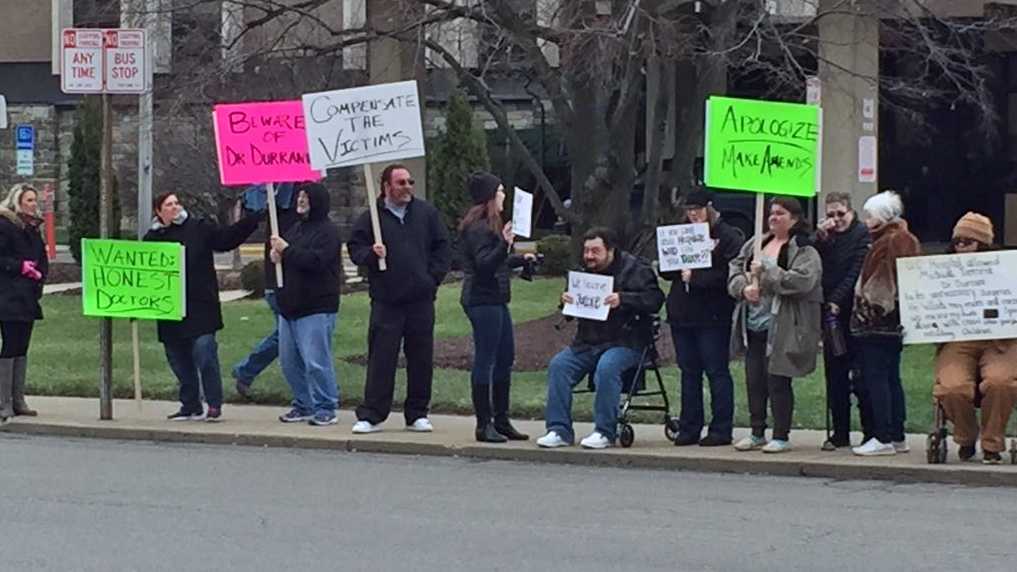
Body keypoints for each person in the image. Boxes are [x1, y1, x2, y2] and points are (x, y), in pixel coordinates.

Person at [536, 227, 665, 450]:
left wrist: (623, 299)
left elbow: (655, 300)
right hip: (588, 341)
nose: (589, 256)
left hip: (627, 340)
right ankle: (558, 430)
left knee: (607, 367)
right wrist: (566, 302)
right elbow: (570, 312)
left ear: (611, 250)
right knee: (559, 366)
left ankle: (605, 431)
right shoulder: (582, 274)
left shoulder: (635, 269)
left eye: (595, 251)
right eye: (586, 251)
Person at [348, 164, 451, 434]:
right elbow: (355, 250)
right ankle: (372, 414)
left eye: (410, 182)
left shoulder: (426, 213)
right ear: (386, 187)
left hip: (420, 299)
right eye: (401, 182)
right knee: (381, 358)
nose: (407, 187)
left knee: (421, 358)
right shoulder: (371, 218)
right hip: (387, 300)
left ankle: (417, 413)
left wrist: (431, 279)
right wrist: (372, 254)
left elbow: (442, 247)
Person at [144, 192, 263, 422]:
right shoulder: (152, 239)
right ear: (158, 211)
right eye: (169, 205)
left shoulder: (199, 228)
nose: (175, 207)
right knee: (178, 359)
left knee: (205, 353)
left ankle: (214, 404)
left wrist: (250, 221)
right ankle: (190, 404)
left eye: (177, 203)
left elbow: (225, 240)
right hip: (170, 309)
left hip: (201, 305)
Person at [728, 197, 823, 454]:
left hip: (783, 324)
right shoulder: (756, 243)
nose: (773, 217)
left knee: (778, 380)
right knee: (754, 380)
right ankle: (756, 431)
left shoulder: (804, 249)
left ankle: (781, 435)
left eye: (780, 213)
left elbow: (804, 281)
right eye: (771, 213)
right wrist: (743, 287)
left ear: (794, 219)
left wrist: (769, 271)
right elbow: (735, 267)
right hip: (753, 324)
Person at [659, 188, 742, 447]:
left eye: (697, 209)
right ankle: (689, 426)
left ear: (709, 208)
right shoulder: (681, 233)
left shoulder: (726, 236)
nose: (693, 215)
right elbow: (666, 270)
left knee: (716, 370)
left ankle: (721, 429)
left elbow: (728, 275)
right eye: (689, 210)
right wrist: (672, 265)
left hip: (713, 314)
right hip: (682, 312)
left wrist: (696, 277)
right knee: (689, 372)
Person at [932, 213, 1017, 464]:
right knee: (951, 387)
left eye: (968, 242)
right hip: (958, 339)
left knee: (1001, 382)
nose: (961, 247)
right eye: (957, 242)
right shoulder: (941, 272)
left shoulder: (1007, 269)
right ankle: (966, 436)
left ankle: (992, 443)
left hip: (1001, 340)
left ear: (983, 244)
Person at [458, 172, 535, 443]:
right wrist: (505, 243)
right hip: (482, 299)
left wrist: (520, 258)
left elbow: (497, 261)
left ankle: (501, 419)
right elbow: (484, 264)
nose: (504, 195)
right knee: (486, 358)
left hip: (496, 297)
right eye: (500, 191)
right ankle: (484, 423)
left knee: (505, 356)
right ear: (490, 196)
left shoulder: (490, 225)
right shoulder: (478, 228)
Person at [849, 191, 921, 457]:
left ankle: (883, 436)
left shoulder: (887, 242)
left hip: (879, 323)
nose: (866, 220)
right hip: (896, 323)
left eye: (870, 215)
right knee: (891, 378)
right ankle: (897, 435)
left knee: (877, 379)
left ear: (883, 217)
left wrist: (868, 310)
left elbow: (881, 286)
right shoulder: (905, 239)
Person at [270, 183, 342, 427]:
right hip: (290, 306)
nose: (300, 200)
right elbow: (289, 257)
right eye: (299, 196)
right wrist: (277, 257)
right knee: (289, 361)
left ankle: (326, 406)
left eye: (306, 197)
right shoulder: (296, 229)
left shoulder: (328, 232)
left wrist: (287, 251)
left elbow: (316, 261)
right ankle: (304, 403)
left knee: (316, 361)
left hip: (316, 306)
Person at [814, 191, 872, 450]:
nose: (836, 219)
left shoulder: (861, 234)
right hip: (830, 315)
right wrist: (821, 239)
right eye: (831, 215)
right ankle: (840, 432)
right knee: (835, 376)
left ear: (851, 212)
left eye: (840, 214)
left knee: (861, 377)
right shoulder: (827, 237)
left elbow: (856, 271)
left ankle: (870, 430)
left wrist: (837, 299)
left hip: (854, 312)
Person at [231, 183, 299, 398]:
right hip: (278, 283)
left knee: (291, 335)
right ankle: (246, 370)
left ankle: (246, 371)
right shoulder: (279, 200)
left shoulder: (281, 200)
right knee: (288, 335)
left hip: (288, 282)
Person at [0, 184, 47, 421]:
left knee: (22, 346)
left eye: (34, 200)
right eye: (29, 200)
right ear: (18, 201)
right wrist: (20, 267)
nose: (33, 204)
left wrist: (39, 280)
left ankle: (18, 399)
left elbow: (41, 258)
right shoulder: (5, 225)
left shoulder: (33, 228)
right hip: (8, 296)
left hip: (28, 296)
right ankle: (4, 402)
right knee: (10, 345)